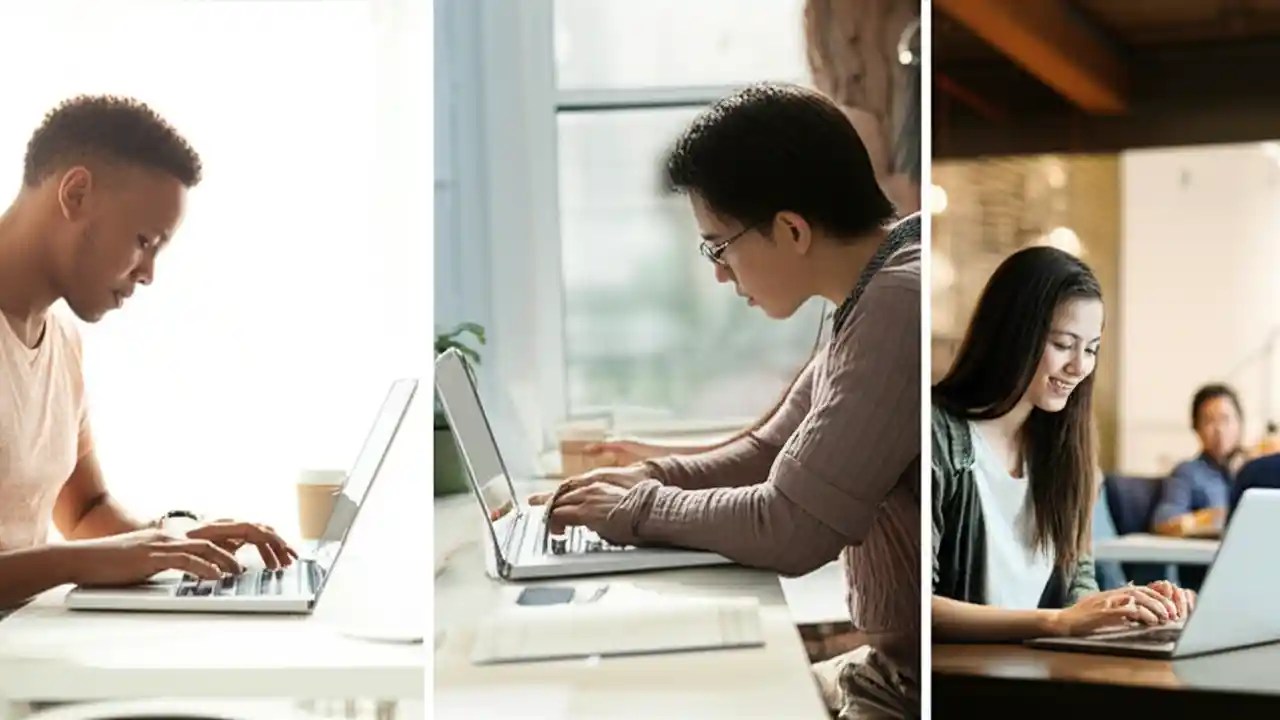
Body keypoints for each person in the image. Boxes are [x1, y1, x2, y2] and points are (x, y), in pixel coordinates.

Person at [531, 82, 921, 719]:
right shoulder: (874, 285)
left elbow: (792, 528)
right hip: (884, 671)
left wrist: (638, 507)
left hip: (906, 693)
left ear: (791, 229)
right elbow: (770, 452)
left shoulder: (898, 303)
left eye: (718, 246)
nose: (717, 273)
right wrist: (644, 476)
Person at [0, 95, 295, 612]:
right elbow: (84, 549)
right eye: (144, 241)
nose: (148, 273)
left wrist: (174, 541)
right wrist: (83, 561)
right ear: (76, 193)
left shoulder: (62, 342)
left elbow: (87, 509)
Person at [932, 246, 1194, 643]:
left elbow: (1077, 586)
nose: (1079, 366)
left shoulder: (1068, 455)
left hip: (1046, 678)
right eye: (1063, 344)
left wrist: (1124, 608)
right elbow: (913, 607)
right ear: (1014, 334)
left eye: (1090, 348)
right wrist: (1057, 621)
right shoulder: (937, 435)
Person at [1150, 384, 1246, 537]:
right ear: (1196, 428)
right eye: (1209, 421)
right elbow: (1163, 524)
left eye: (1225, 419)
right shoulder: (1187, 473)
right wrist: (1210, 518)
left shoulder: (1255, 469)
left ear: (1240, 423)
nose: (1219, 429)